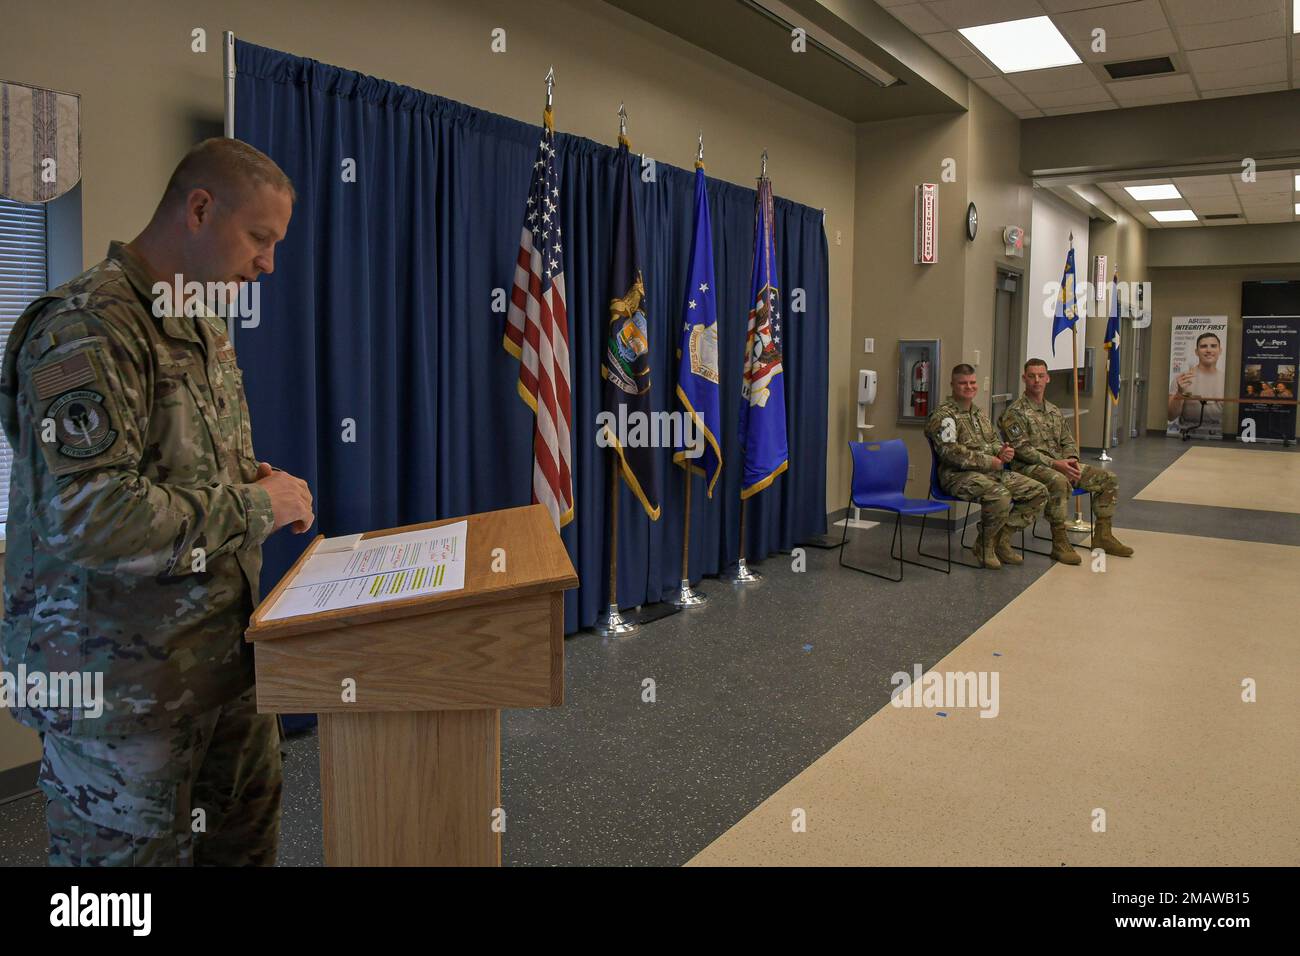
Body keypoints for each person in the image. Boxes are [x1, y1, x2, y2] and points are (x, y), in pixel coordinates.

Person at [0, 138, 315, 866]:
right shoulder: (83, 328)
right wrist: (255, 507)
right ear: (200, 209)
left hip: (219, 668)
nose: (269, 262)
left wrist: (248, 484)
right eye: (259, 238)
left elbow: (183, 470)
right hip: (122, 696)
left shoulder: (202, 323)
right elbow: (89, 514)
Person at [1000, 358, 1133, 563]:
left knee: (1107, 478)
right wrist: (1056, 465)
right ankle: (1060, 541)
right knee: (1058, 480)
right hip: (1028, 468)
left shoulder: (1053, 410)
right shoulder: (1014, 413)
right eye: (1032, 376)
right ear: (1024, 379)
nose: (1037, 380)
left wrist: (1071, 460)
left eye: (1041, 376)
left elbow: (1068, 441)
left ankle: (1103, 536)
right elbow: (1022, 450)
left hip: (1061, 465)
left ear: (1048, 378)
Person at [925, 364, 1047, 569]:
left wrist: (1002, 451)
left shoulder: (979, 414)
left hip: (989, 472)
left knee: (1038, 491)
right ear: (952, 385)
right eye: (963, 383)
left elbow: (993, 441)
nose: (969, 387)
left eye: (972, 383)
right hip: (957, 476)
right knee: (1000, 496)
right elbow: (950, 453)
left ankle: (1000, 540)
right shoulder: (944, 417)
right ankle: (986, 545)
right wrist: (988, 461)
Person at [1168, 332, 1224, 432]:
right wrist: (1180, 393)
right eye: (1203, 346)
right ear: (1196, 352)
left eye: (1213, 346)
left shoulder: (1226, 380)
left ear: (1220, 351)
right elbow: (1170, 416)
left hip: (1220, 436)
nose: (1208, 350)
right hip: (1188, 435)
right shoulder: (1183, 379)